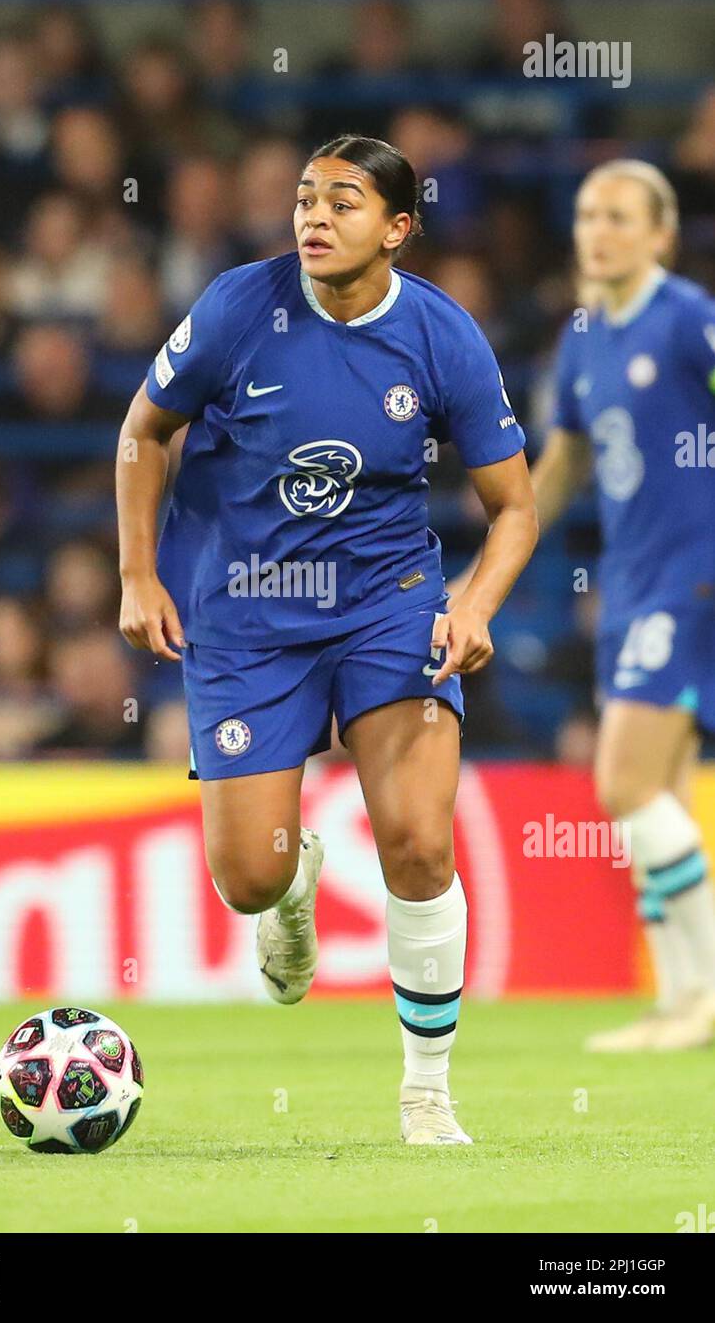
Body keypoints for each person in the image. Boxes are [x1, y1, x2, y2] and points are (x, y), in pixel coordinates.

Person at [117, 135, 537, 1144]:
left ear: (395, 229)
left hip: (385, 602)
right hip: (247, 606)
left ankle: (425, 1091)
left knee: (417, 841)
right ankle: (290, 878)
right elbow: (145, 429)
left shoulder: (441, 338)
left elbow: (512, 508)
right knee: (247, 877)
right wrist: (137, 574)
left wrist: (472, 604)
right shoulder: (235, 308)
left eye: (341, 202)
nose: (312, 215)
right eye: (305, 198)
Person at [502, 160, 715, 1051]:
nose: (600, 230)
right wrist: (500, 557)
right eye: (589, 213)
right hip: (628, 584)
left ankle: (708, 990)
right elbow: (563, 463)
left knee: (621, 781)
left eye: (623, 216)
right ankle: (680, 1002)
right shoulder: (584, 336)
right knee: (658, 789)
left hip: (691, 575)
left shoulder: (689, 320)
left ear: (662, 235)